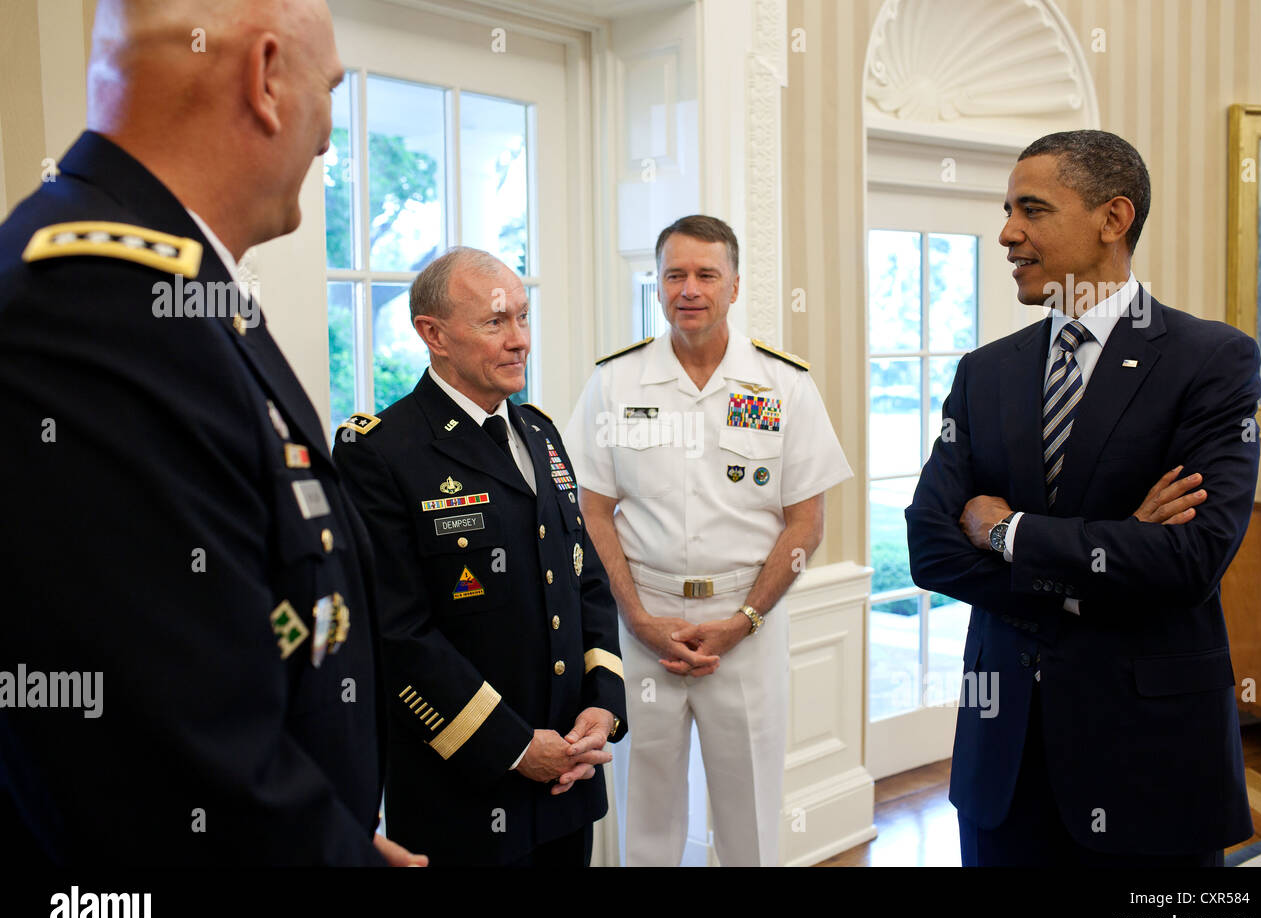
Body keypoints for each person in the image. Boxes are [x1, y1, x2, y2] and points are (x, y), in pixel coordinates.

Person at [0, 0, 423, 865]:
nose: (329, 139)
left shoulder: (182, 287)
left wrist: (339, 830)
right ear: (266, 77)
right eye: (329, 90)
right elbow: (165, 769)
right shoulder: (90, 300)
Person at [906, 130, 1260, 866]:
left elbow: (1192, 561)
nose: (1007, 233)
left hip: (1151, 759)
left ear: (1113, 217)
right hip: (1003, 760)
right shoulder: (983, 373)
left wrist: (1008, 534)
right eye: (1007, 210)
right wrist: (1113, 551)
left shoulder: (1211, 361)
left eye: (1031, 210)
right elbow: (931, 548)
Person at [564, 214, 853, 866]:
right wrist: (635, 617)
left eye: (705, 274)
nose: (688, 289)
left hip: (745, 627)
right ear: (658, 285)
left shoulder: (782, 384)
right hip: (643, 630)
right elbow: (594, 510)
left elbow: (806, 522)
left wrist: (743, 620)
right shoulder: (616, 381)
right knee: (648, 810)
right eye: (674, 275)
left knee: (749, 812)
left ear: (734, 285)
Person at [333, 247, 627, 866]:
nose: (519, 340)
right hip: (464, 784)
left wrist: (603, 703)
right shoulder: (382, 452)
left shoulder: (541, 433)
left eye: (523, 318)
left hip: (568, 776)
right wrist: (517, 747)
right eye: (496, 322)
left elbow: (585, 579)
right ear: (433, 334)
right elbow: (398, 632)